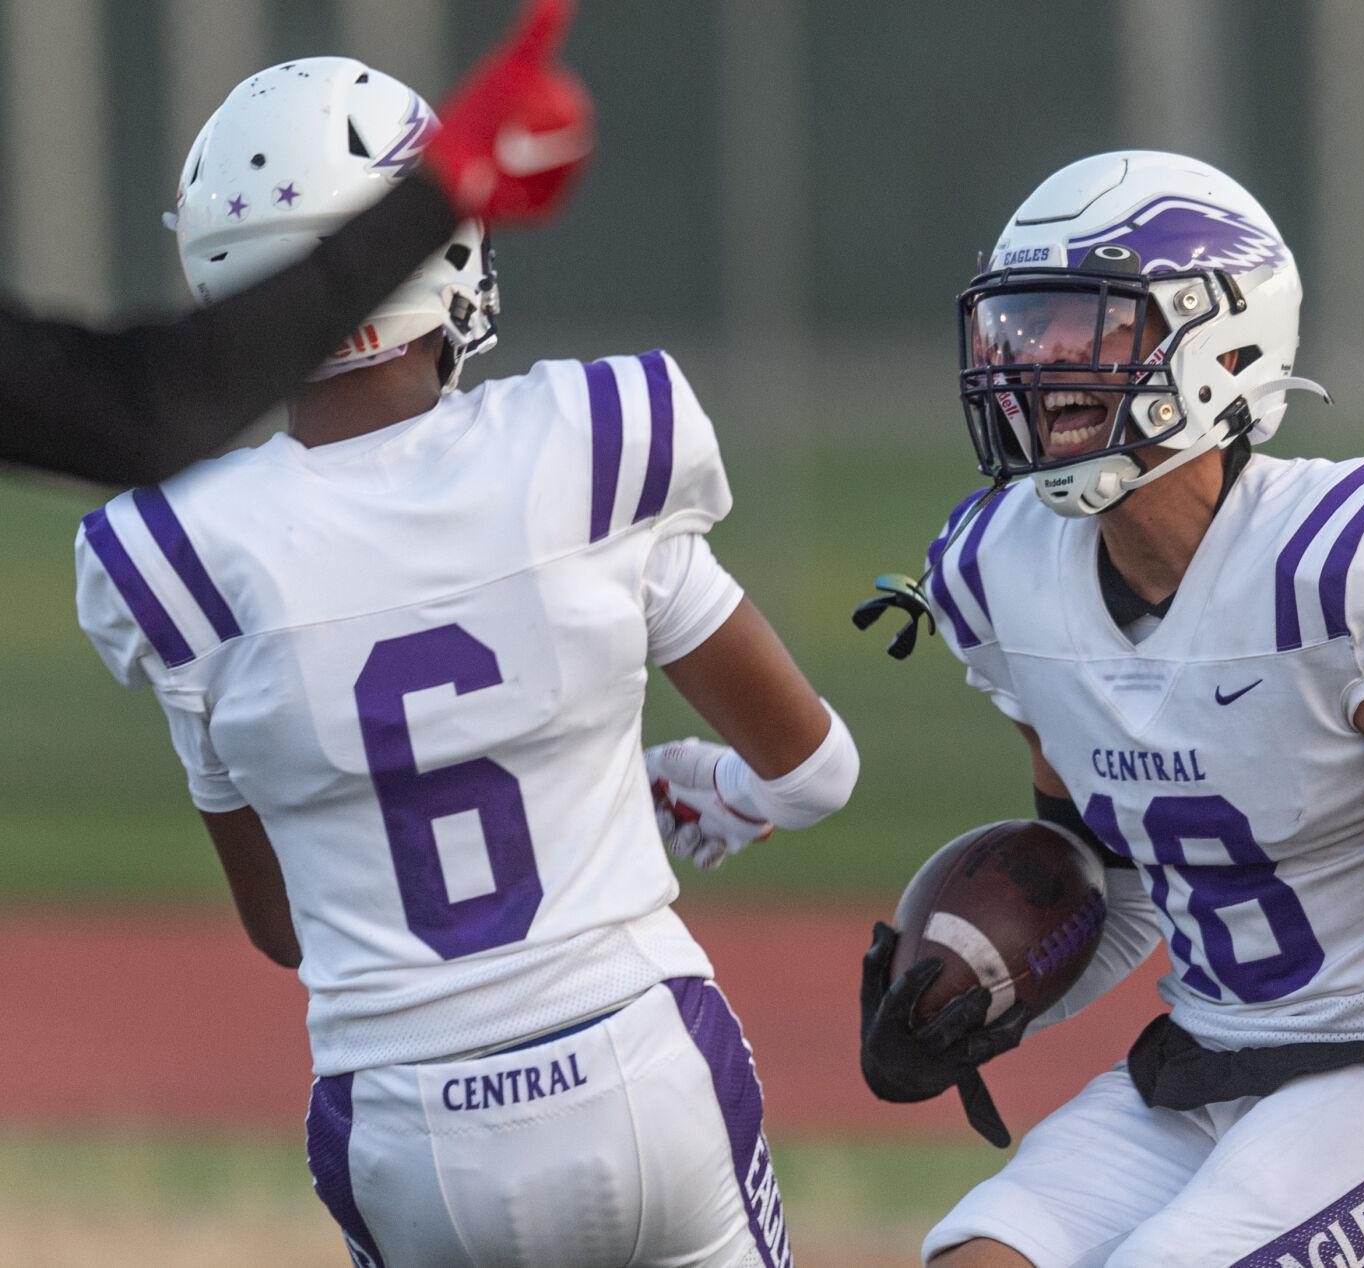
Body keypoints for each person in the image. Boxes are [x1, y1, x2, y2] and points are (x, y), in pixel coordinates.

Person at [74, 52, 856, 1268]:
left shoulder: (172, 557)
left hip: (408, 1119)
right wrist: (708, 785)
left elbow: (286, 926)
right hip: (640, 1067)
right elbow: (814, 769)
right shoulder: (592, 444)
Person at [857, 151, 1364, 1268]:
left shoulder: (1344, 567)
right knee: (973, 1255)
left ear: (1219, 345)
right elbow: (1113, 882)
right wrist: (983, 994)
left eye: (1080, 333)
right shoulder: (1004, 576)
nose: (1031, 370)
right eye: (1019, 332)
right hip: (1201, 1058)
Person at [1, 0, 588, 487]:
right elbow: (140, 407)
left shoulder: (163, 547)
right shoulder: (598, 432)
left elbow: (139, 408)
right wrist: (440, 190)